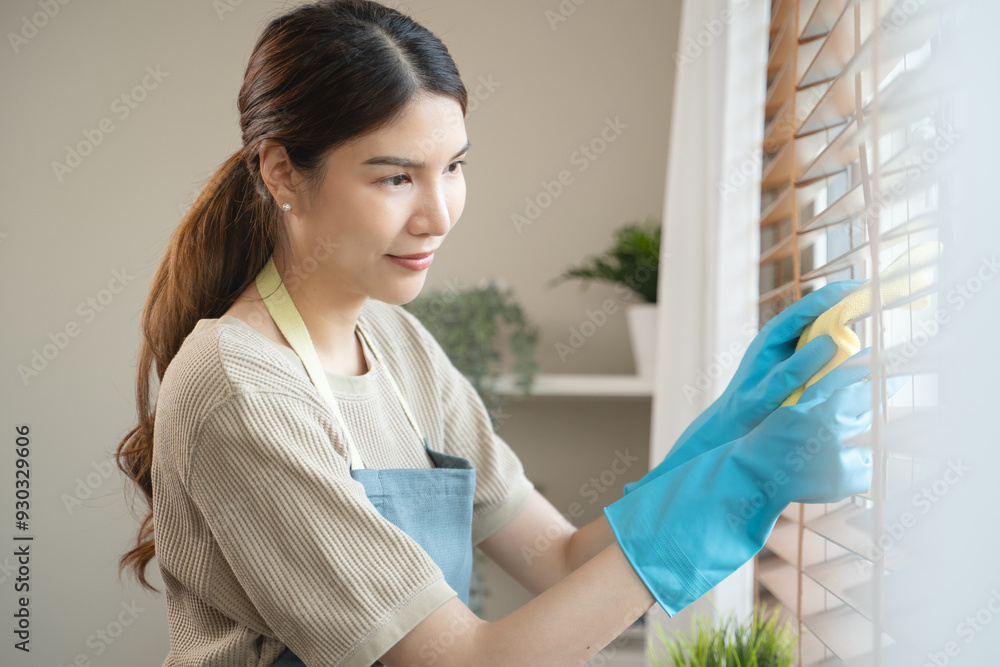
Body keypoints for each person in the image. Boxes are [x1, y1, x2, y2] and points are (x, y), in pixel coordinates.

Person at [115, 1, 886, 665]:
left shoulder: (398, 345)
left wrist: (733, 431)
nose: (438, 214)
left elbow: (561, 559)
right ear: (283, 173)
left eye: (453, 166)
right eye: (395, 177)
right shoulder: (240, 388)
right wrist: (739, 488)